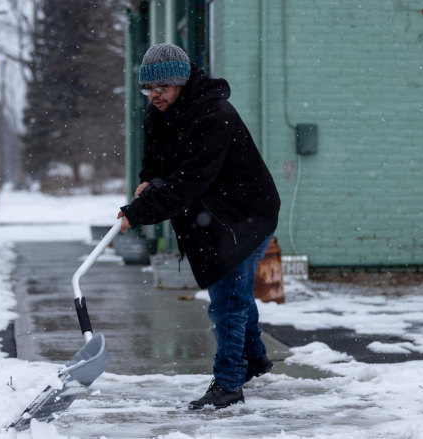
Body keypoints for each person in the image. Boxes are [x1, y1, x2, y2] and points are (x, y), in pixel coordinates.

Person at [117, 43, 281, 410]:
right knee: (234, 295)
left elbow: (188, 181)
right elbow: (155, 164)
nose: (154, 95)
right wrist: (148, 182)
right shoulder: (158, 114)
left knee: (227, 301)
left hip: (247, 215)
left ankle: (228, 384)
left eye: (162, 88)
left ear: (181, 82)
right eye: (148, 88)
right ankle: (254, 359)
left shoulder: (213, 116)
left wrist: (138, 213)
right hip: (216, 216)